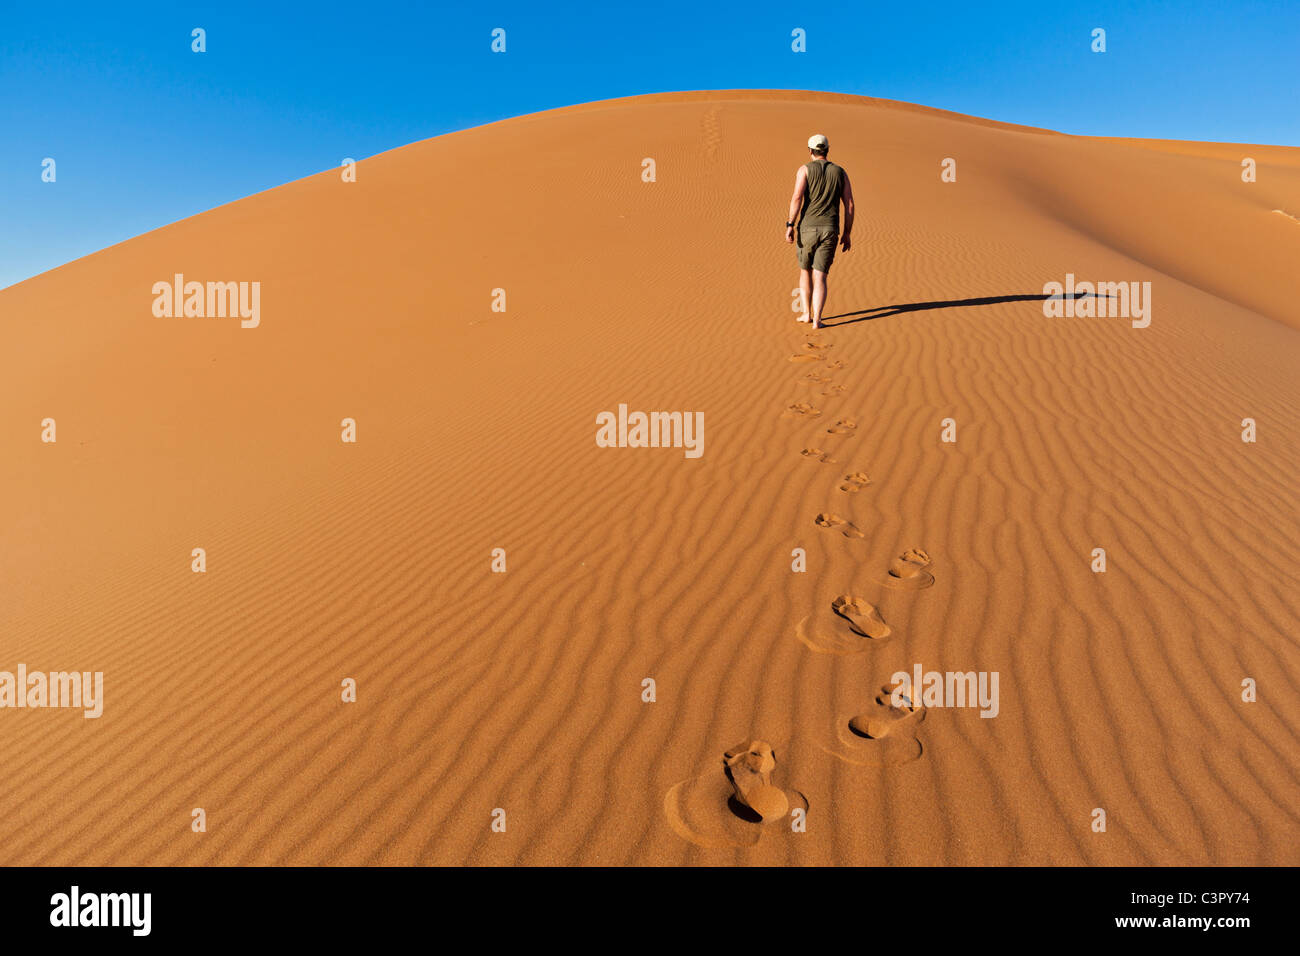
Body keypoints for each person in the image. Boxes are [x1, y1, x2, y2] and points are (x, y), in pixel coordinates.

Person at [785, 134, 854, 329]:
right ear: (827, 150)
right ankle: (817, 320)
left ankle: (806, 313)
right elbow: (849, 203)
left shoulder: (805, 169)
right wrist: (847, 232)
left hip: (807, 228)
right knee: (820, 275)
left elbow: (797, 197)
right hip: (830, 229)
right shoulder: (840, 172)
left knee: (805, 271)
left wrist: (790, 224)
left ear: (810, 151)